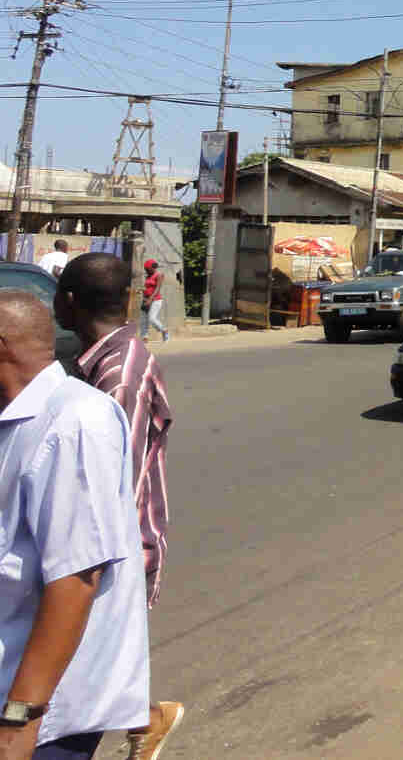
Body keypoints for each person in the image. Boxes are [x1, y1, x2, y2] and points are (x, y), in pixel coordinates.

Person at [0, 291, 150, 759]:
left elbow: (76, 578)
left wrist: (20, 720)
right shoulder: (18, 420)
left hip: (40, 710)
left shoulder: (73, 422)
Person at [53, 255, 182, 760]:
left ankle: (146, 717)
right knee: (90, 661)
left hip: (117, 546)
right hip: (109, 544)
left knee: (73, 664)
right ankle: (147, 718)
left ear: (67, 303)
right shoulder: (96, 360)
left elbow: (110, 484)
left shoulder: (119, 374)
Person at [139, 261, 168, 343]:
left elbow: (157, 289)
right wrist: (141, 290)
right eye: (145, 269)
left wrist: (150, 299)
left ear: (153, 268)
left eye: (147, 269)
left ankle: (164, 330)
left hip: (156, 300)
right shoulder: (148, 276)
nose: (146, 271)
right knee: (143, 320)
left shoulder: (159, 275)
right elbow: (147, 288)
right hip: (146, 299)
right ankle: (144, 338)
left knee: (152, 318)